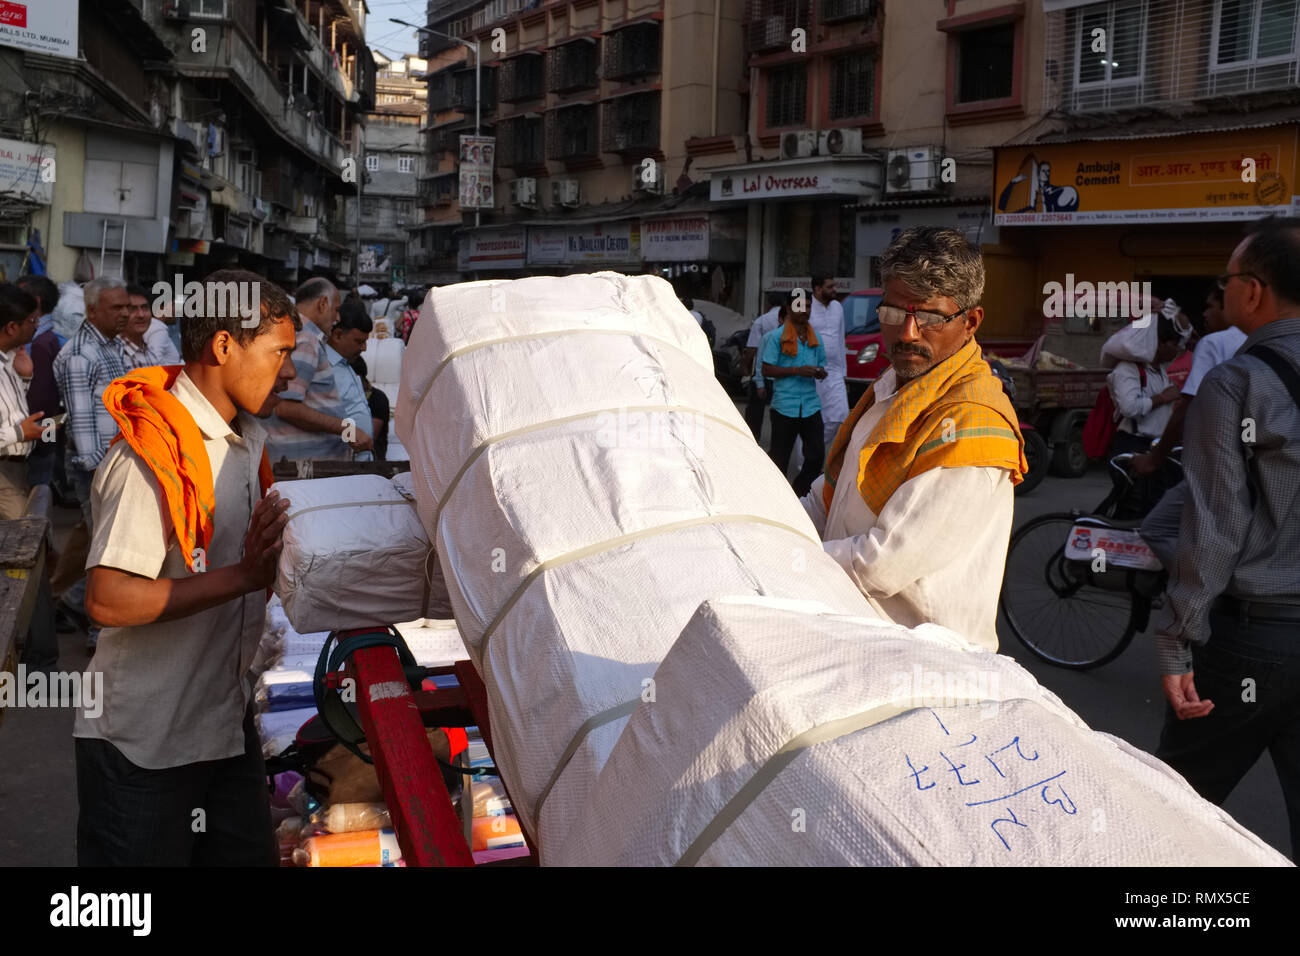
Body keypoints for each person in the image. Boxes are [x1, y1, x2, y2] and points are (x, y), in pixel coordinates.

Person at [74, 269, 298, 867]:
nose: (291, 371)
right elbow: (106, 599)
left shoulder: (245, 438)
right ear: (224, 346)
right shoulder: (151, 453)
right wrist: (246, 578)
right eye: (281, 352)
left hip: (221, 725)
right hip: (143, 747)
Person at [1151, 216, 1300, 862]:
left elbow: (1215, 527)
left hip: (1252, 643)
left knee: (1170, 812)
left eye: (1228, 279)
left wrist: (1178, 639)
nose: (1225, 290)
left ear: (1255, 290)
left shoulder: (1234, 383)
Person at [800, 227, 1026, 650]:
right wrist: (762, 523)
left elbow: (881, 563)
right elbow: (826, 499)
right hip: (851, 632)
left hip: (922, 663)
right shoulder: (894, 384)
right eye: (892, 313)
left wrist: (789, 559)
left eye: (929, 318)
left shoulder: (973, 420)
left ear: (970, 321)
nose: (907, 333)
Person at [1135, 285, 1249, 569]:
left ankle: (1207, 584)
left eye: (1210, 306)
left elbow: (1187, 406)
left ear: (1231, 305)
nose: (1205, 314)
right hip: (1258, 466)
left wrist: (1155, 458)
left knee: (1156, 528)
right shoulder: (1269, 340)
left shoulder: (1215, 344)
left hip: (1218, 465)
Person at [52, 276, 131, 652]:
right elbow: (83, 424)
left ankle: (70, 601)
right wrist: (101, 473)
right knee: (107, 546)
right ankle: (100, 630)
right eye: (117, 308)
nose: (125, 314)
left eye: (126, 306)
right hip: (95, 466)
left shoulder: (111, 345)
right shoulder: (81, 354)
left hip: (113, 461)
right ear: (92, 310)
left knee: (100, 538)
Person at [263, 278, 371, 462]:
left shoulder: (298, 333)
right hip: (300, 466)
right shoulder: (305, 338)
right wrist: (346, 429)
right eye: (336, 310)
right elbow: (284, 406)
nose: (337, 319)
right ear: (322, 304)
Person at [761, 292, 827, 497]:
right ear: (789, 309)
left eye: (808, 306)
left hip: (810, 405)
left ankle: (797, 495)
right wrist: (796, 371)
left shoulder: (816, 339)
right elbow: (767, 370)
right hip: (784, 406)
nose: (805, 310)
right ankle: (773, 499)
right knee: (779, 459)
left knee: (816, 458)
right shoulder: (774, 337)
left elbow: (822, 365)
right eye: (799, 306)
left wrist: (820, 372)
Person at [1105, 315, 1183, 457]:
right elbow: (1129, 408)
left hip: (1157, 445)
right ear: (1159, 344)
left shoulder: (1161, 370)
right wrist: (1162, 398)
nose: (1177, 349)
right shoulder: (1128, 369)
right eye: (1174, 344)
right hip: (1135, 445)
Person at [0, 284, 46, 518]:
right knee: (24, 538)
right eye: (32, 321)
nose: (36, 327)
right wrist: (19, 433)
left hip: (16, 467)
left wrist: (24, 378)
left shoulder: (9, 359)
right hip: (3, 471)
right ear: (11, 327)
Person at [16, 275, 64, 488]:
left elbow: (41, 401)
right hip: (42, 432)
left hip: (34, 435)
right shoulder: (52, 338)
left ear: (35, 302)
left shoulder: (38, 344)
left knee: (33, 492)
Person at [325, 302, 375, 462]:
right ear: (338, 335)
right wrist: (350, 433)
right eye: (359, 341)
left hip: (358, 458)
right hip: (338, 461)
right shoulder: (323, 368)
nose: (364, 348)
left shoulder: (347, 365)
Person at [809, 273, 849, 447]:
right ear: (817, 289)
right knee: (812, 419)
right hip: (811, 371)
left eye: (835, 286)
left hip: (834, 371)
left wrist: (843, 372)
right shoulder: (806, 307)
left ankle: (815, 452)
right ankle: (807, 463)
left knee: (840, 415)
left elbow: (841, 339)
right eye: (830, 287)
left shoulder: (837, 308)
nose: (835, 290)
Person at [743, 294, 783, 443]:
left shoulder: (761, 321)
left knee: (755, 409)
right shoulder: (791, 322)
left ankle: (753, 437)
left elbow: (752, 348)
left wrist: (745, 367)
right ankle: (778, 439)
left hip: (763, 371)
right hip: (782, 372)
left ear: (768, 303)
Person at [118, 284, 182, 369]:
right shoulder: (116, 354)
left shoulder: (148, 351)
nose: (141, 315)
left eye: (145, 307)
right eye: (133, 309)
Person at [350, 355, 390, 461]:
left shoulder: (377, 399)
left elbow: (367, 438)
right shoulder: (342, 396)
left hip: (371, 461)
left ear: (357, 377)